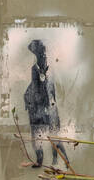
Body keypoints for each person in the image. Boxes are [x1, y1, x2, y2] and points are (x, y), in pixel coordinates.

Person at [22, 38, 70, 168]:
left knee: (49, 136)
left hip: (43, 110)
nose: (38, 55)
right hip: (43, 109)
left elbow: (43, 89)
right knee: (46, 136)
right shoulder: (39, 68)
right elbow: (36, 87)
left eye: (36, 52)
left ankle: (58, 160)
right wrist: (28, 97)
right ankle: (49, 160)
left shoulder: (42, 69)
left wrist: (34, 103)